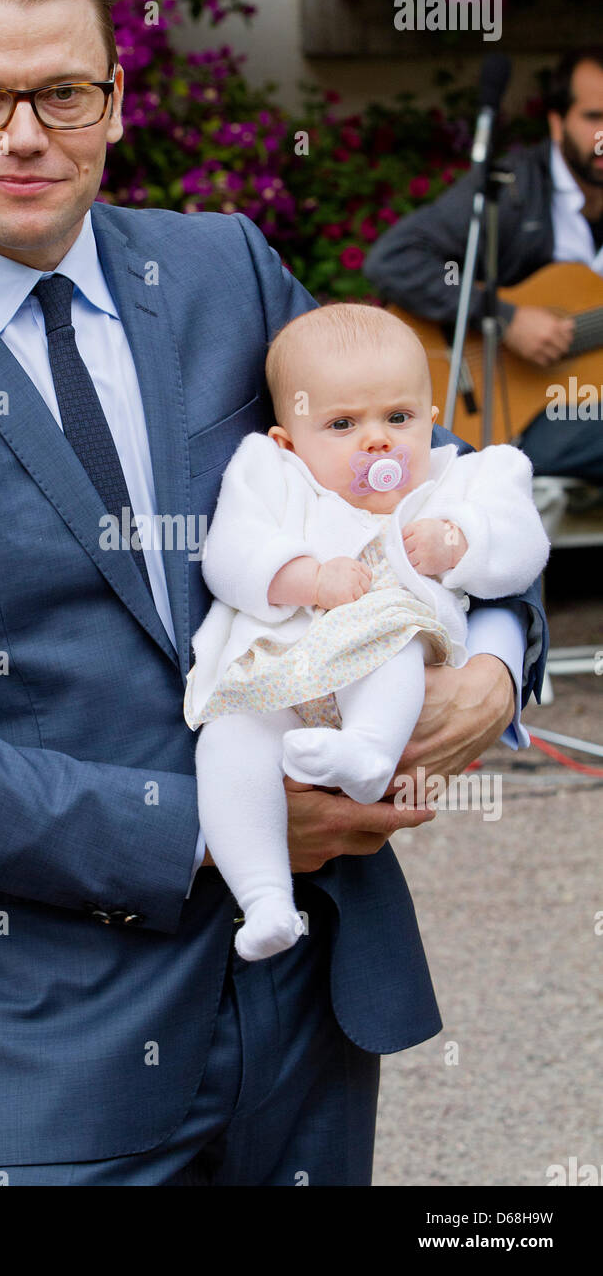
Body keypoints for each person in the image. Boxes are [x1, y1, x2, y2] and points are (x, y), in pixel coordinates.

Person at [0, 0, 547, 1186]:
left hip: (316, 1004)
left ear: (115, 100)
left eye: (62, 93)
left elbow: (430, 475)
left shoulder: (225, 270)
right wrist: (217, 828)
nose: (23, 135)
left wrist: (495, 666)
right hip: (71, 1047)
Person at [184, 304, 550, 962]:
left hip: (383, 665)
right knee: (228, 744)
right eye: (343, 424)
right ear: (288, 441)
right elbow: (230, 554)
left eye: (399, 418)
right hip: (278, 678)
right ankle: (265, 898)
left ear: (431, 418)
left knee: (391, 632)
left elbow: (522, 544)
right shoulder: (270, 474)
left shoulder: (464, 478)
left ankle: (369, 751)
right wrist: (302, 577)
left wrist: (459, 541)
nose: (378, 441)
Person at [364, 47, 603, 484]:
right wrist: (503, 317)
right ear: (557, 122)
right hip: (508, 411)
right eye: (593, 117)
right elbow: (394, 259)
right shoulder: (510, 189)